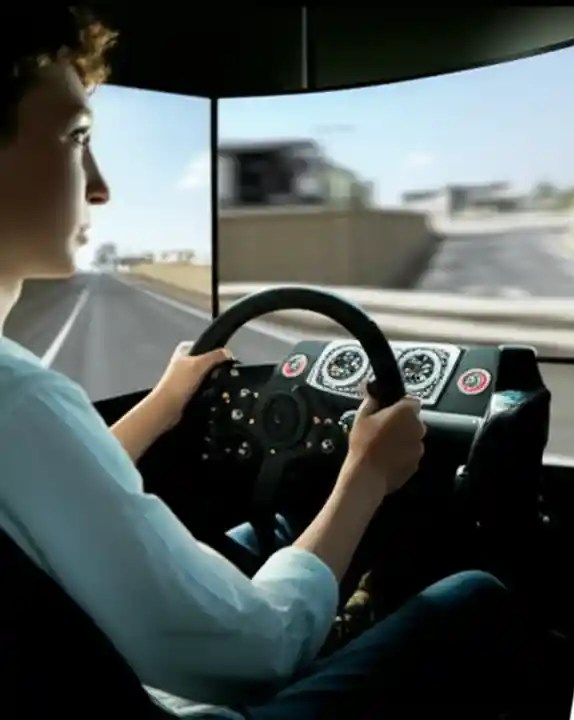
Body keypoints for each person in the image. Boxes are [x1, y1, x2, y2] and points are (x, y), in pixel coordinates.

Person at [0, 8, 538, 718]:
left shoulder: (22, 411)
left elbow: (53, 492)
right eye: (76, 139)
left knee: (274, 533)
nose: (99, 186)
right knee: (476, 598)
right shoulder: (18, 397)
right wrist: (366, 476)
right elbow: (253, 655)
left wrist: (163, 405)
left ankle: (349, 616)